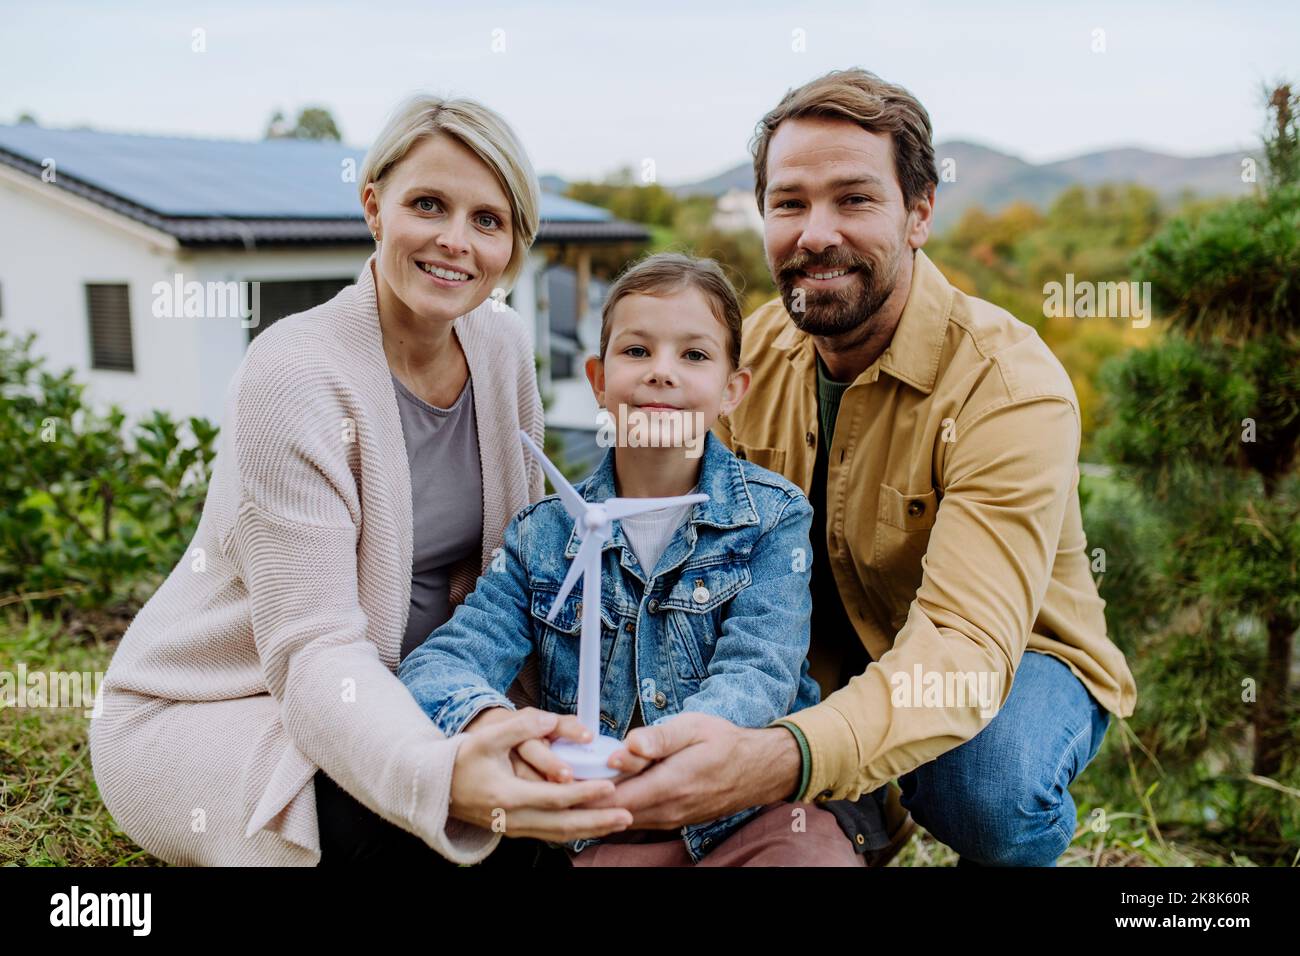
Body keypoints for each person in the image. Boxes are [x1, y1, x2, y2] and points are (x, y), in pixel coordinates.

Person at [578, 69, 1139, 867]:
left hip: (1005, 654)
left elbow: (960, 644)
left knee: (989, 785)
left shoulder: (1008, 385)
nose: (815, 234)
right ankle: (860, 804)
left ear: (919, 213)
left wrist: (780, 757)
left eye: (854, 200)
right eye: (790, 203)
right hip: (810, 647)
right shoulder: (743, 361)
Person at [88, 93, 634, 866]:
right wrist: (443, 770)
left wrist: (498, 715)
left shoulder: (503, 345)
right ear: (374, 206)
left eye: (488, 220)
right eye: (429, 205)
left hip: (426, 690)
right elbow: (313, 650)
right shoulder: (293, 374)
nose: (455, 241)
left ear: (513, 244)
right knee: (427, 831)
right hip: (231, 707)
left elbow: (518, 565)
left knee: (551, 817)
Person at [400, 253, 864, 866]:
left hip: (748, 813)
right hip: (607, 820)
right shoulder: (542, 536)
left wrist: (659, 756)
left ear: (733, 390)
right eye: (637, 351)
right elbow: (441, 663)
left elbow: (760, 673)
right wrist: (491, 723)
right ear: (597, 380)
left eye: (693, 355)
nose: (661, 373)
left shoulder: (773, 518)